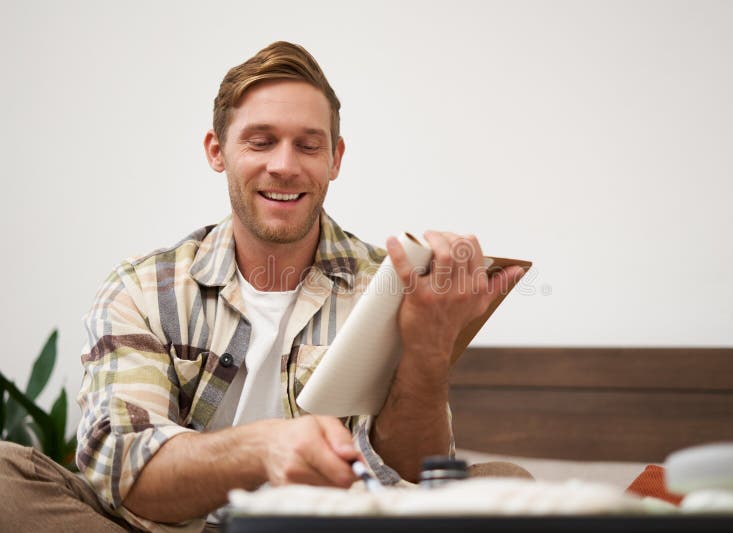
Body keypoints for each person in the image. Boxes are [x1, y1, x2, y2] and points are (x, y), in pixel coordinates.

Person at [0, 41, 525, 531]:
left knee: (505, 485)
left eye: (308, 145)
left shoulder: (386, 286)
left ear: (335, 158)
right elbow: (125, 474)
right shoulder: (142, 289)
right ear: (217, 151)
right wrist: (263, 449)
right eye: (261, 141)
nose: (284, 166)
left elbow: (411, 481)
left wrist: (428, 355)